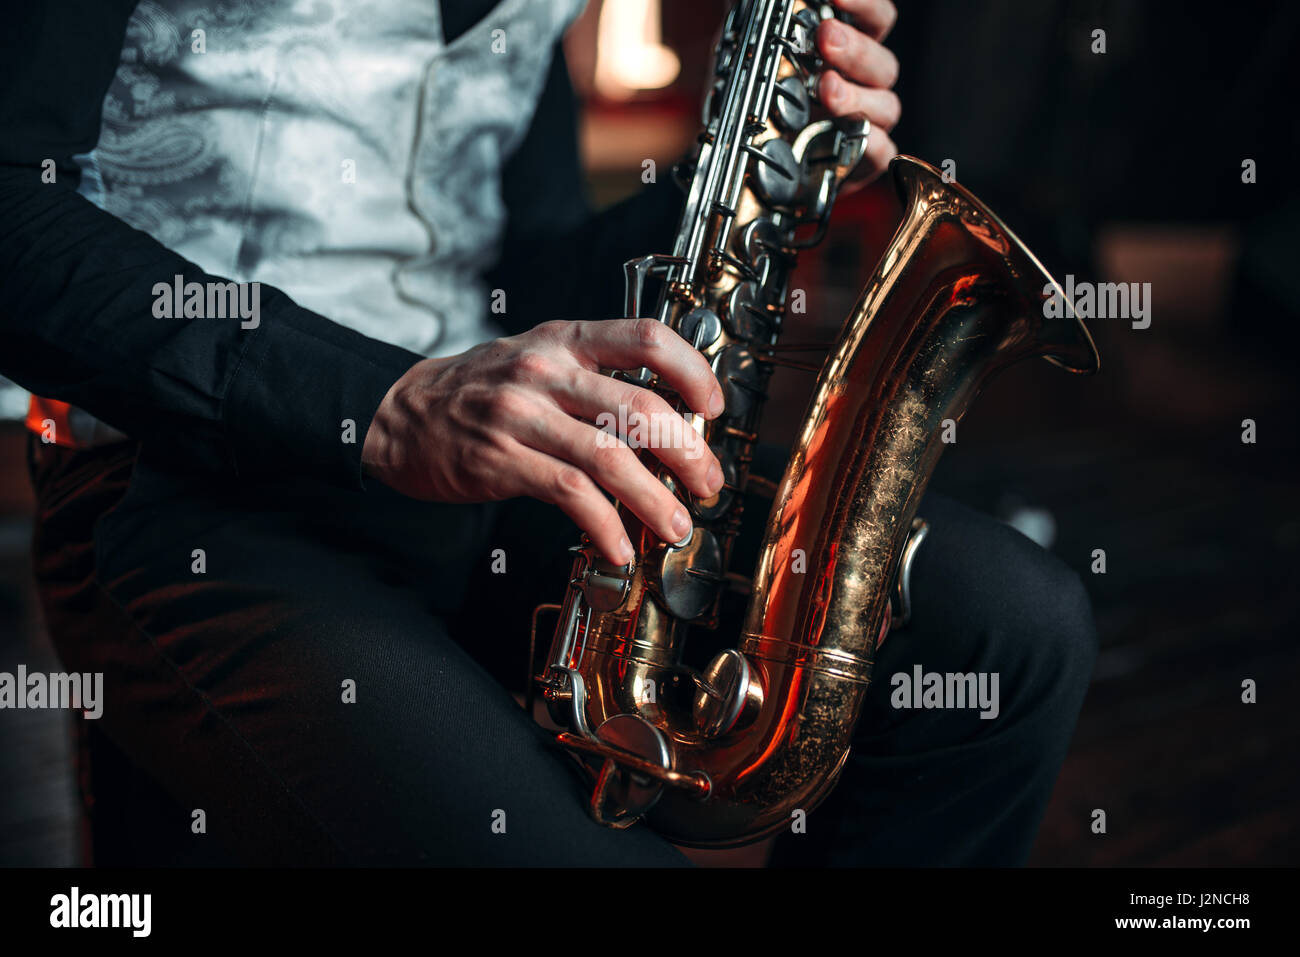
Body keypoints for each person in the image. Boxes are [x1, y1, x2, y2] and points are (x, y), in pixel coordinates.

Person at [0, 0, 1095, 865]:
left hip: (490, 464)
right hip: (177, 472)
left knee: (1013, 624)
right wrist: (381, 401)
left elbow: (532, 261)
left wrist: (768, 161)